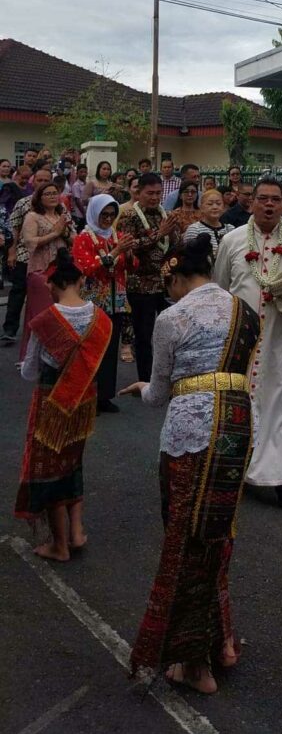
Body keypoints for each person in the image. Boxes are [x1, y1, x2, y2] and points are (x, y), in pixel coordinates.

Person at [121, 234, 260, 693]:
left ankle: (194, 662)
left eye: (171, 283)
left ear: (179, 277)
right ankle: (222, 643)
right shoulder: (246, 313)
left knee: (185, 540)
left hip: (192, 431)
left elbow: (159, 393)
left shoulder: (172, 317)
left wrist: (141, 388)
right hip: (238, 426)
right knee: (218, 534)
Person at [214, 178, 282, 513]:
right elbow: (219, 288)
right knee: (243, 406)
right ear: (251, 203)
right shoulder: (232, 241)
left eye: (276, 199)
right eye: (262, 199)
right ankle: (239, 471)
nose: (269, 205)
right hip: (244, 341)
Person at [15, 249, 111, 561]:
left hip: (52, 398)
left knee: (50, 468)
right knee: (73, 460)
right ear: (81, 280)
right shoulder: (99, 318)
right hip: (83, 399)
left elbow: (30, 371)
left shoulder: (46, 320)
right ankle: (77, 532)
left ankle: (59, 545)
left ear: (53, 283)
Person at [72, 195, 136, 412]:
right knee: (90, 350)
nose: (108, 219)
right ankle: (87, 397)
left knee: (109, 350)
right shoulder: (83, 238)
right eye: (104, 215)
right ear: (94, 213)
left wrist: (127, 253)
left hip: (116, 301)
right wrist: (115, 252)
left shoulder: (116, 235)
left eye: (112, 214)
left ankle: (104, 396)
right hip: (93, 301)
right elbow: (86, 268)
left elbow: (132, 265)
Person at [116, 173, 171, 381]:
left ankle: (164, 376)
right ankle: (145, 380)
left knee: (167, 332)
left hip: (163, 283)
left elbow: (169, 244)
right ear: (139, 192)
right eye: (150, 193)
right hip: (140, 284)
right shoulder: (129, 216)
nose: (155, 197)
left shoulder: (162, 213)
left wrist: (171, 233)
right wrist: (158, 233)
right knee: (144, 335)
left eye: (158, 193)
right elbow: (129, 247)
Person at [21, 182, 76, 357]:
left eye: (55, 193)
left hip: (61, 269)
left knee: (61, 311)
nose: (53, 196)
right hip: (40, 270)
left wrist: (65, 232)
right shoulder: (33, 216)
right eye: (48, 194)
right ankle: (37, 355)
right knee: (43, 313)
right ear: (39, 197)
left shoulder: (63, 214)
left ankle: (58, 353)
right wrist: (55, 233)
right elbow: (30, 242)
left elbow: (75, 238)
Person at [2, 167, 53, 345]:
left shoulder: (58, 205)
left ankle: (44, 333)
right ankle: (9, 330)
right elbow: (14, 229)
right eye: (39, 180)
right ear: (33, 182)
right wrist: (12, 251)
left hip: (49, 257)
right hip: (25, 255)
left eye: (47, 180)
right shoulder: (23, 203)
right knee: (18, 292)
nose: (43, 184)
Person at [183, 189, 233, 258]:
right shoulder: (194, 229)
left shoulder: (230, 229)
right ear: (201, 207)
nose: (215, 207)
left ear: (223, 207)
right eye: (210, 204)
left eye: (218, 204)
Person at [70, 163, 89, 228]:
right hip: (79, 214)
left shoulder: (87, 184)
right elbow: (77, 200)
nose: (83, 174)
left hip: (86, 212)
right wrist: (84, 213)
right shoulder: (76, 185)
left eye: (85, 172)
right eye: (81, 172)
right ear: (77, 173)